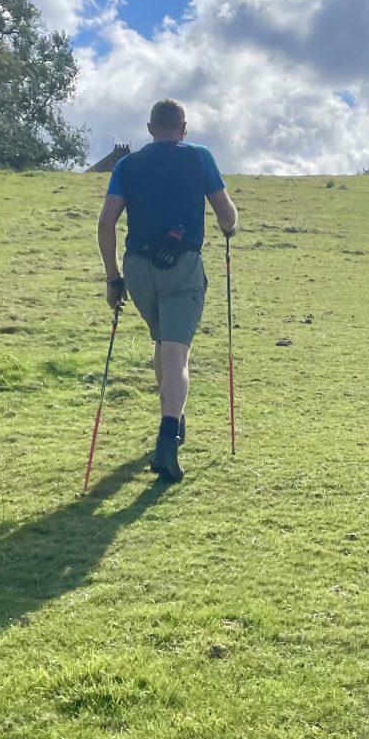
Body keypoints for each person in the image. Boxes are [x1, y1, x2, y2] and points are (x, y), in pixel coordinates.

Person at [96, 98, 238, 482]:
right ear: (184, 128)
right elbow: (227, 216)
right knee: (177, 355)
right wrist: (229, 228)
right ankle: (166, 441)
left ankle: (173, 417)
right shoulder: (199, 156)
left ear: (149, 128)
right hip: (180, 266)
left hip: (138, 267)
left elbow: (107, 222)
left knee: (162, 342)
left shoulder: (127, 165)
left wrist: (113, 279)